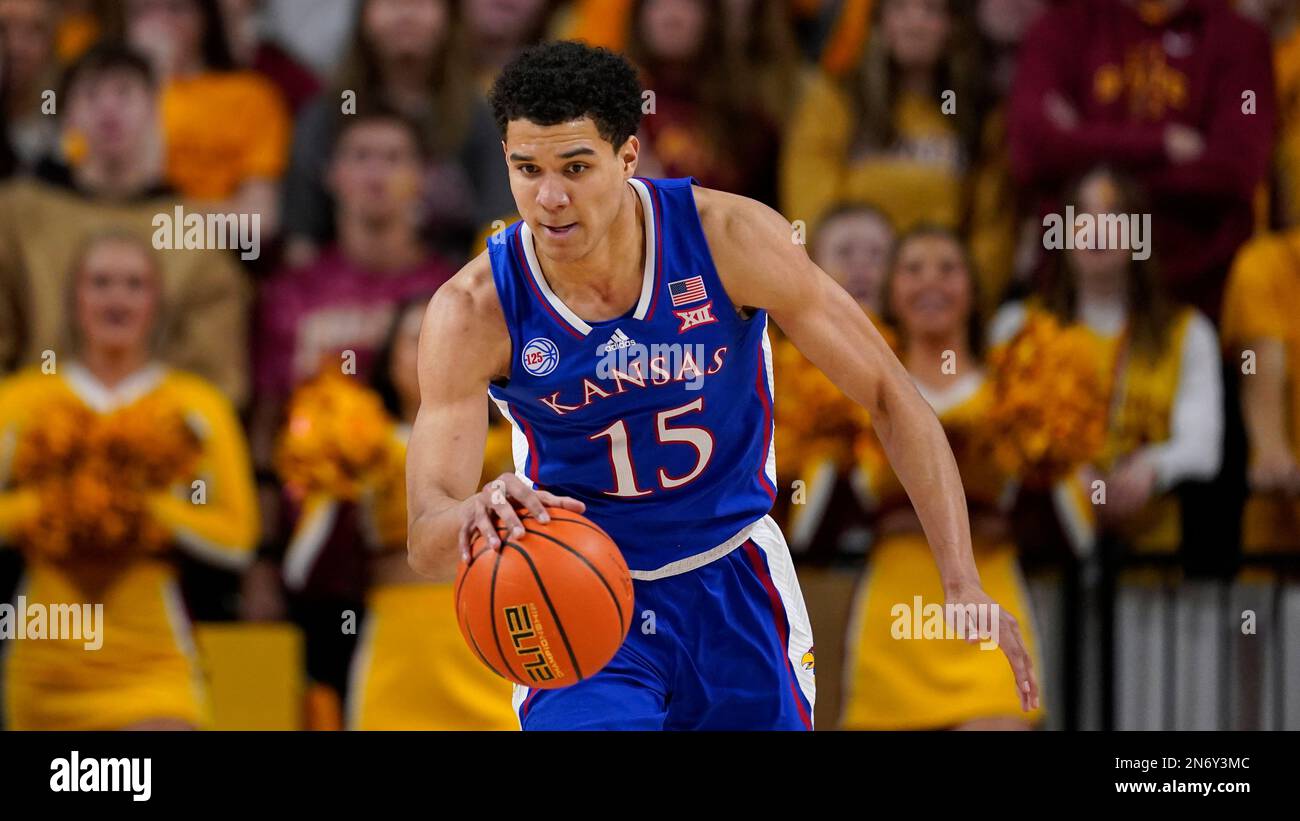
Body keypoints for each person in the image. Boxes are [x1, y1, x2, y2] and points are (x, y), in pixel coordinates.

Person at [404, 40, 1038, 730]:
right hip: (577, 598)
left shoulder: (728, 238)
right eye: (526, 169)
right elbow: (426, 537)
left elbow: (890, 392)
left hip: (733, 579)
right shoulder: (473, 310)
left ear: (627, 157)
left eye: (575, 167)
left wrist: (959, 576)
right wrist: (471, 515)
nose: (549, 197)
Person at [0, 232, 258, 730]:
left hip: (152, 662)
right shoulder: (22, 399)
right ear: (75, 297)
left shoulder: (196, 405)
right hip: (42, 667)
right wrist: (54, 506)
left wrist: (143, 508)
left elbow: (239, 538)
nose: (116, 298)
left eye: (134, 285)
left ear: (156, 302)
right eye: (100, 283)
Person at [841, 225, 1044, 730]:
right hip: (894, 614)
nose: (931, 281)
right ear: (891, 291)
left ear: (974, 290)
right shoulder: (855, 391)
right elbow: (819, 512)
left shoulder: (1017, 393)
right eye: (912, 269)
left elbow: (1057, 513)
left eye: (949, 269)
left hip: (989, 607)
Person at [0, 43, 251, 406]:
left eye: (124, 92)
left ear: (154, 110)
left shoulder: (190, 229)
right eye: (90, 94)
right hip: (34, 430)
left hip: (159, 440)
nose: (108, 108)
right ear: (66, 114)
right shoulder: (17, 213)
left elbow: (216, 372)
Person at [338, 298, 517, 730]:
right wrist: (337, 480)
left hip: (490, 623)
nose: (431, 350)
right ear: (387, 357)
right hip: (398, 634)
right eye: (414, 340)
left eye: (446, 337)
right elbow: (310, 564)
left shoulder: (514, 442)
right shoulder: (347, 442)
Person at [781, 0, 980, 234]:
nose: (915, 24)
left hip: (941, 267)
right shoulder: (835, 101)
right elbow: (810, 207)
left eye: (931, 10)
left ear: (953, 26)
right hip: (849, 266)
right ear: (878, 21)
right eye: (899, 8)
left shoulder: (973, 112)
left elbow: (990, 225)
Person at [124, 0, 291, 233]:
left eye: (175, 8)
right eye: (144, 10)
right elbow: (122, 193)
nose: (160, 22)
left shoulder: (251, 95)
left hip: (217, 249)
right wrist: (154, 82)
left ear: (205, 18)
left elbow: (258, 220)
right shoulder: (109, 99)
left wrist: (166, 218)